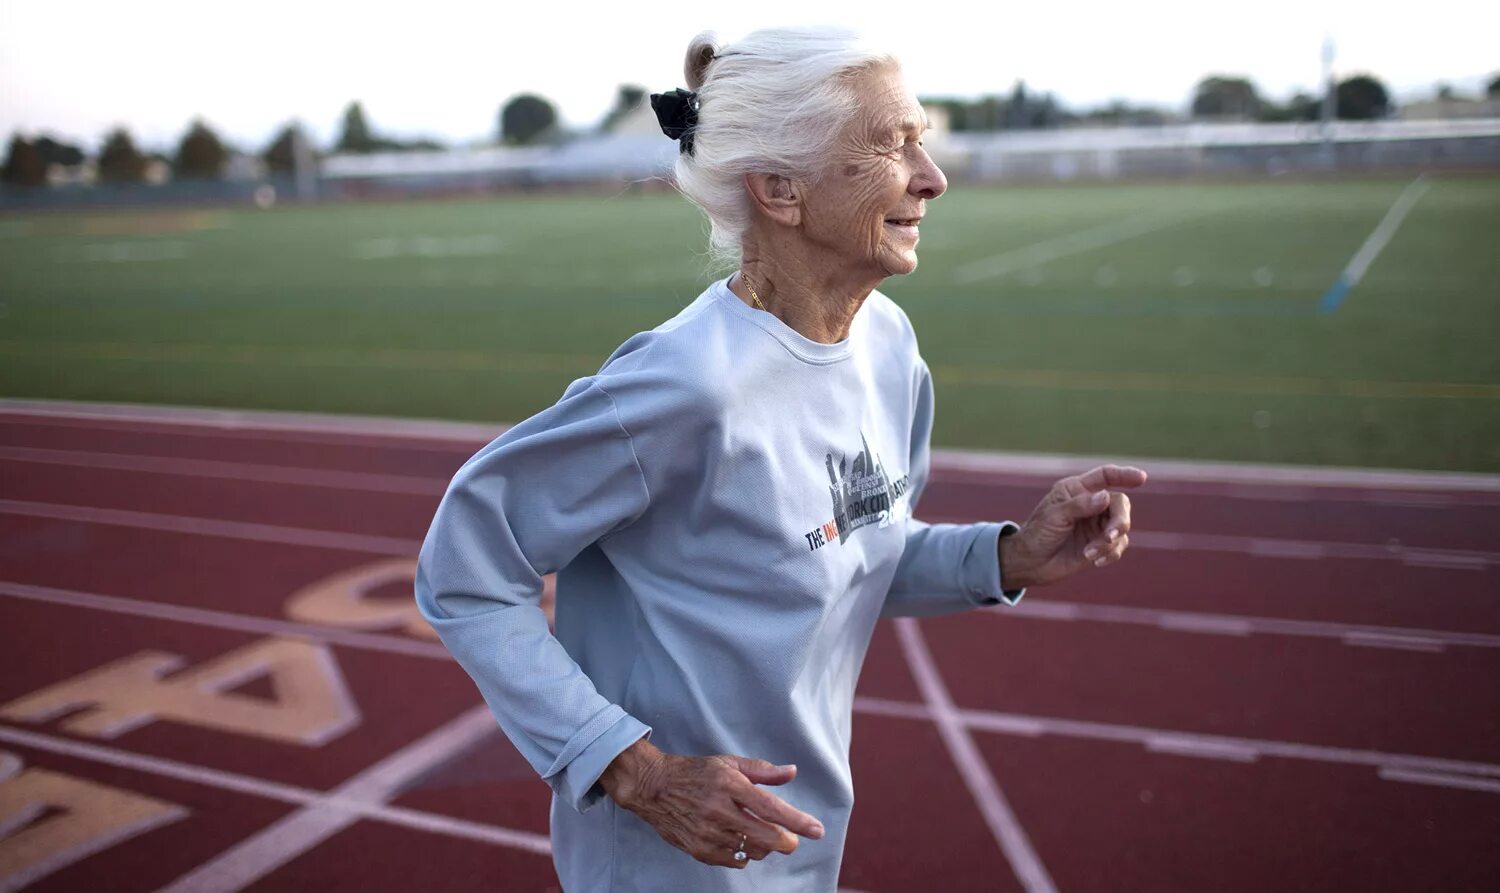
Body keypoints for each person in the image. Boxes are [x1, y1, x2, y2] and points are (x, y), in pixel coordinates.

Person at [414, 25, 1146, 892]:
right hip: (666, 872)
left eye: (922, 139)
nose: (931, 178)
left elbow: (853, 546)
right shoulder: (684, 389)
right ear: (779, 191)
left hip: (801, 852)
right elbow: (463, 567)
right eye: (889, 145)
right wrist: (638, 771)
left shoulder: (888, 346)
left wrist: (1007, 553)